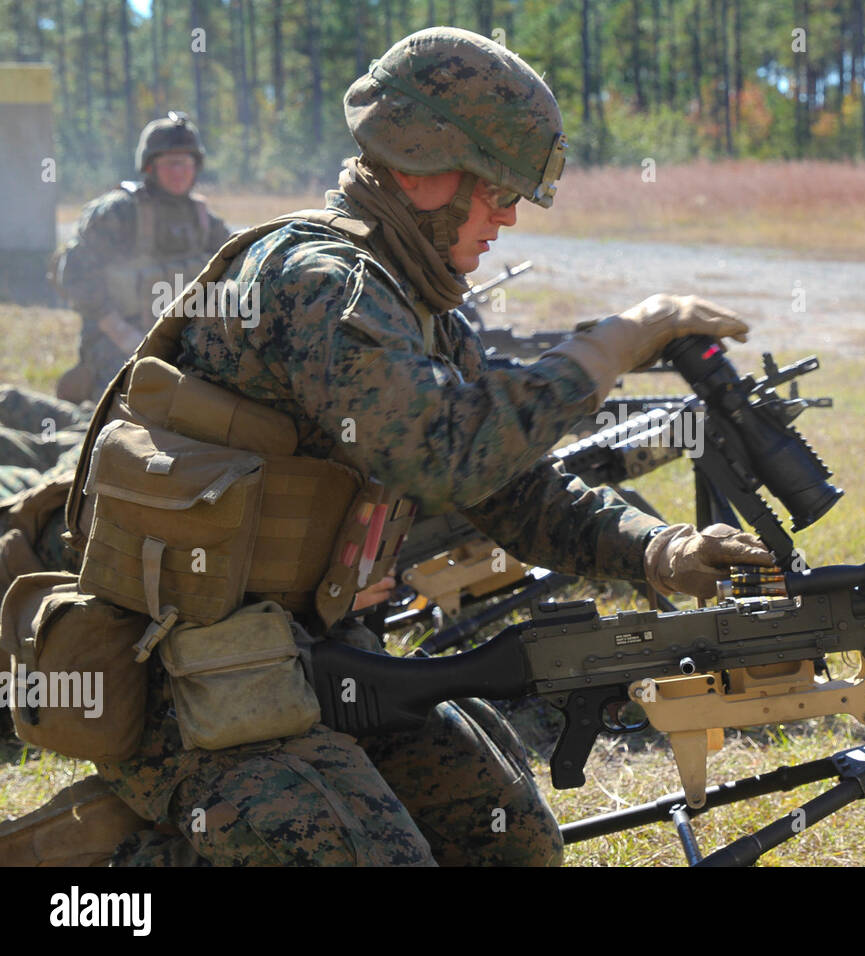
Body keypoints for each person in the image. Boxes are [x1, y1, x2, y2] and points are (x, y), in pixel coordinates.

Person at [66, 26, 775, 867]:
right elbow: (438, 454)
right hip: (187, 685)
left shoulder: (415, 300)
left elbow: (507, 488)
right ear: (420, 168)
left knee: (511, 849)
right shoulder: (322, 283)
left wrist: (660, 549)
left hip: (308, 658)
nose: (508, 218)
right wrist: (611, 345)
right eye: (497, 191)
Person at [52, 112, 231, 404]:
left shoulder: (204, 220)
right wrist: (123, 334)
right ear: (150, 166)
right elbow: (74, 276)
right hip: (116, 340)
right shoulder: (118, 212)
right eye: (171, 163)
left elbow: (233, 272)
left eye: (186, 162)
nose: (180, 171)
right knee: (124, 412)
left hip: (183, 340)